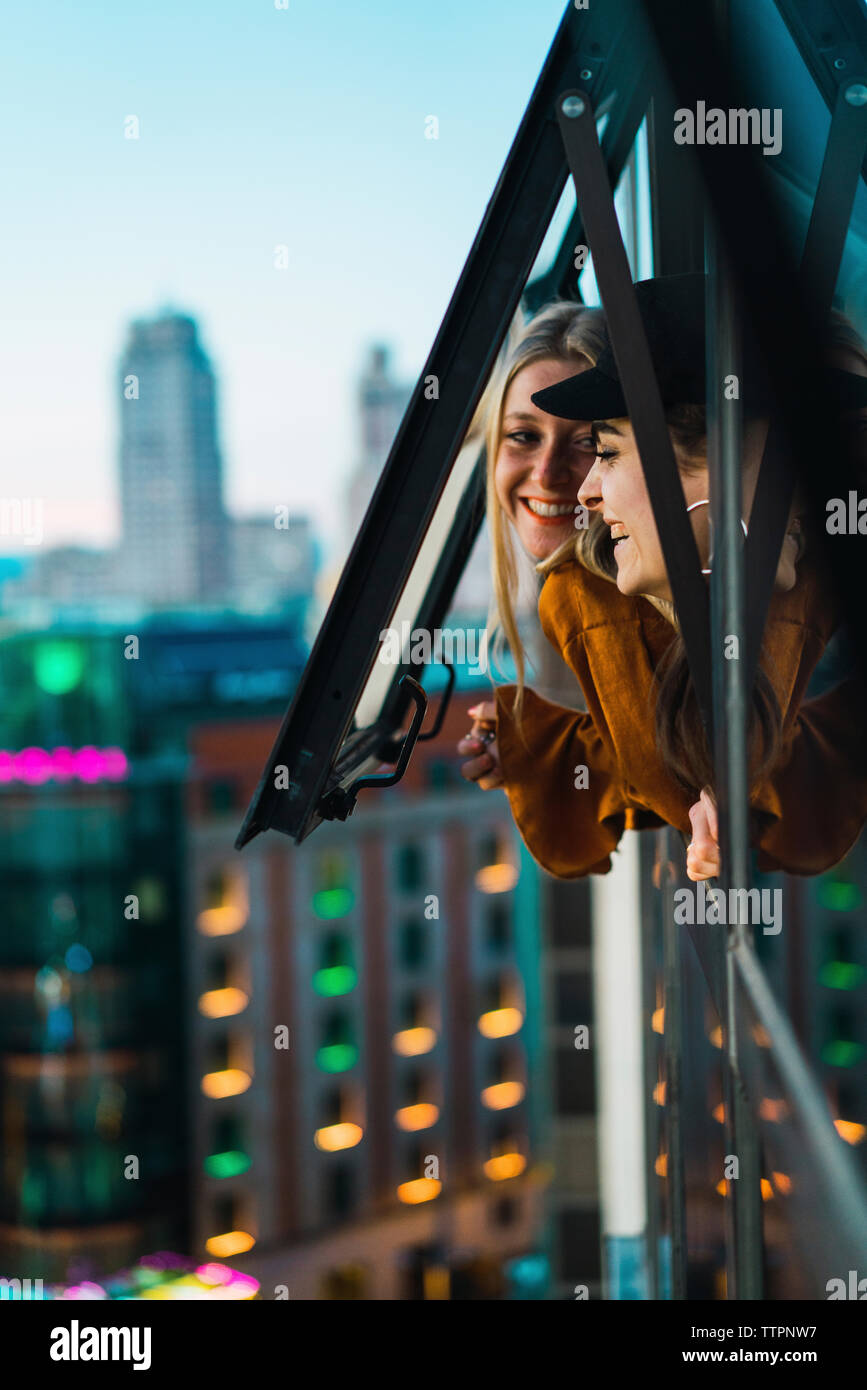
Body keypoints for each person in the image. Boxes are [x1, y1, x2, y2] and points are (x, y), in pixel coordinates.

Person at [461, 273, 867, 880]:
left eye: (595, 444)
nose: (554, 476)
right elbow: (666, 765)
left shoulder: (594, 599)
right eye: (522, 435)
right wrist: (533, 745)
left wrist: (541, 748)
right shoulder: (591, 594)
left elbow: (683, 770)